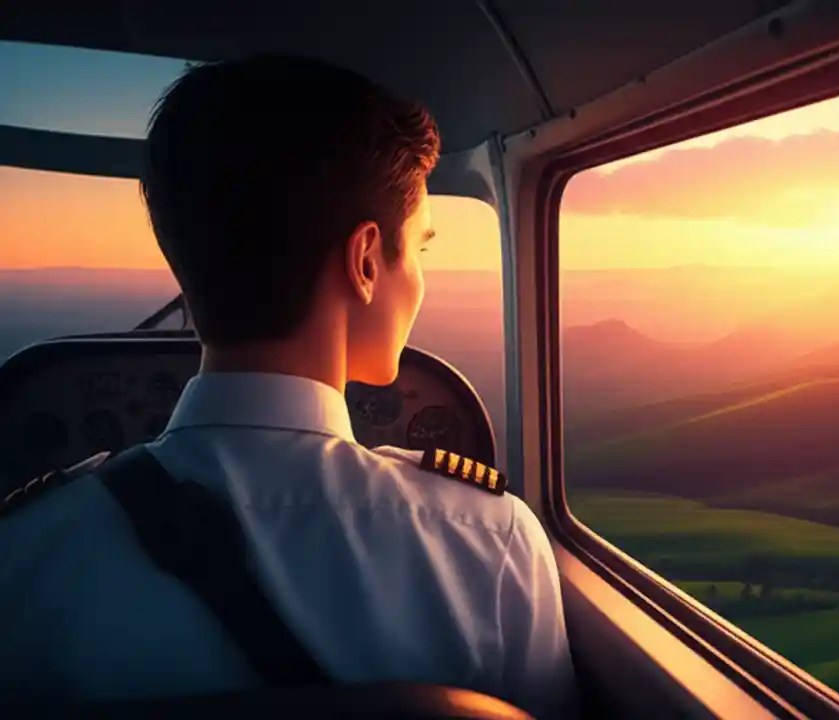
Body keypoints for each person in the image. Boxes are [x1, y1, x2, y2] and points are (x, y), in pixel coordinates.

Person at [0, 55, 576, 719]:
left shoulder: (26, 557)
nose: (420, 279)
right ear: (365, 261)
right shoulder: (490, 544)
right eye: (420, 248)